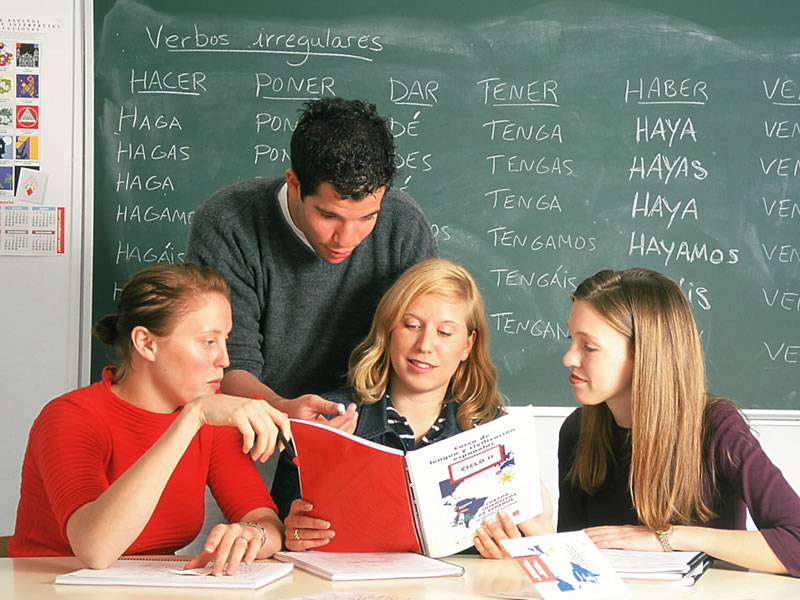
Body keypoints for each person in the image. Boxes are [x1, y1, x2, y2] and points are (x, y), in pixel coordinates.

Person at [8, 263, 290, 576]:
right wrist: (191, 418)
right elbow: (95, 550)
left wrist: (253, 535)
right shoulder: (69, 417)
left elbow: (266, 521)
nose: (224, 359)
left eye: (225, 340)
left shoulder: (209, 420)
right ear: (146, 343)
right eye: (209, 341)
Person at [185, 97, 437, 426]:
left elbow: (426, 348)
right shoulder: (228, 224)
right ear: (294, 184)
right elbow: (227, 364)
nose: (346, 238)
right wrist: (281, 409)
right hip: (253, 423)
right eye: (328, 215)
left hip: (376, 424)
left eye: (367, 218)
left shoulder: (403, 225)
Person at [278, 258, 552, 557]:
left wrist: (510, 549)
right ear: (389, 329)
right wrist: (288, 534)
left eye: (445, 333)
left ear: (468, 345)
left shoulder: (492, 432)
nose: (424, 345)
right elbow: (279, 529)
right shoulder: (327, 416)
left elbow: (532, 544)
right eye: (411, 325)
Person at [555, 267, 800, 576]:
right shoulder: (577, 430)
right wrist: (535, 531)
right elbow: (575, 557)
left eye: (588, 347)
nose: (568, 358)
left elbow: (796, 542)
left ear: (645, 353)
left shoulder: (716, 427)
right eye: (570, 339)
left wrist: (668, 538)